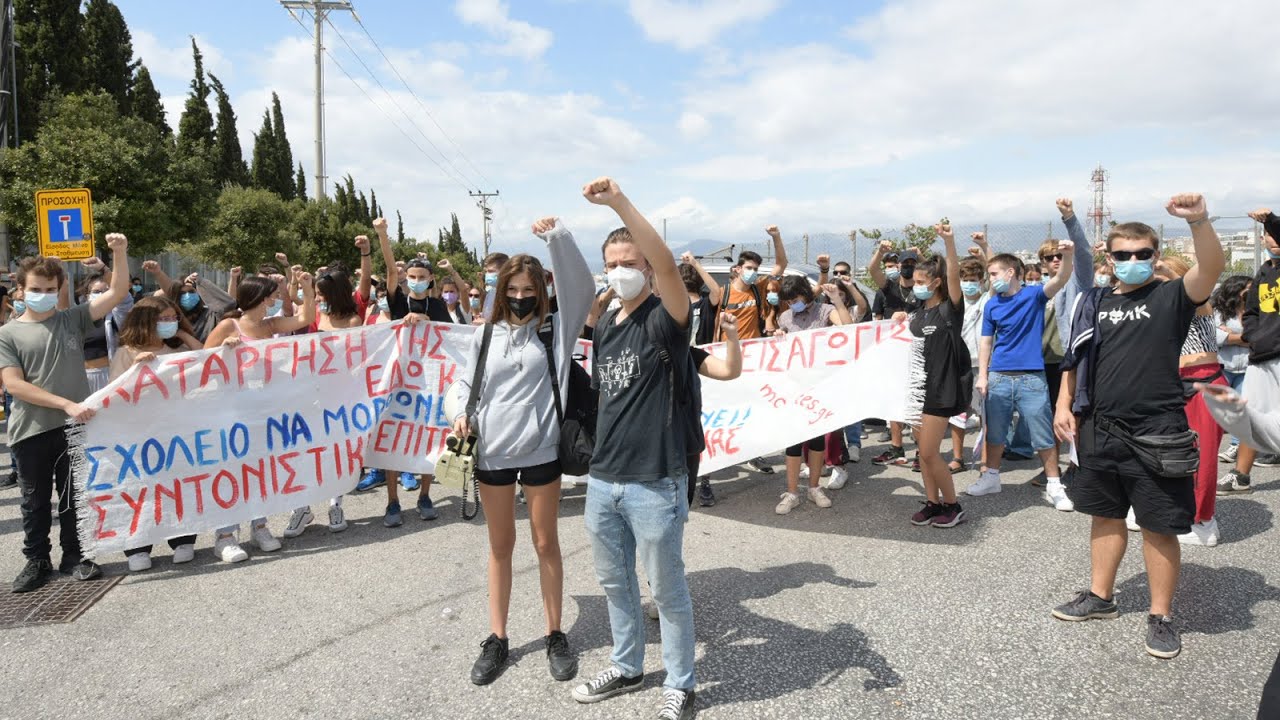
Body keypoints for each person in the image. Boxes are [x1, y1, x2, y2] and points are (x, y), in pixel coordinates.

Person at [1052, 193, 1225, 660]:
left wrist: (1200, 222)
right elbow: (1076, 358)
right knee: (1104, 514)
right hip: (1098, 428)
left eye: (1142, 254)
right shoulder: (1093, 301)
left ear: (1154, 255)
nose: (1132, 262)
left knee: (1158, 525)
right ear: (1110, 258)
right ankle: (1100, 597)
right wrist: (1064, 404)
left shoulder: (1170, 296)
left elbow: (1210, 268)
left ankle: (1161, 616)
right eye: (1123, 255)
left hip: (1158, 429)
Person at [570, 177, 697, 720]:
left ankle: (681, 682)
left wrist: (619, 203)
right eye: (612, 262)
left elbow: (669, 267)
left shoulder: (665, 320)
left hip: (655, 479)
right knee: (614, 583)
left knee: (665, 589)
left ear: (645, 267)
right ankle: (627, 666)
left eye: (630, 261)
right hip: (604, 479)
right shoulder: (607, 326)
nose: (620, 270)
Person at [453, 217, 592, 686]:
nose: (518, 296)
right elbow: (462, 383)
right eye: (511, 288)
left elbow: (583, 286)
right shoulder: (483, 335)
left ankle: (555, 633)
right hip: (491, 453)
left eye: (528, 288)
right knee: (500, 547)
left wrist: (557, 239)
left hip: (541, 453)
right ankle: (497, 637)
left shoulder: (556, 332)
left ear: (542, 291)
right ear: (499, 290)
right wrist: (459, 412)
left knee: (546, 543)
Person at [1, 233, 131, 592]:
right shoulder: (8, 334)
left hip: (75, 428)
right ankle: (36, 560)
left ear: (59, 288)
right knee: (35, 499)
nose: (42, 294)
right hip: (32, 430)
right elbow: (14, 385)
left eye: (49, 288)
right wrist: (65, 404)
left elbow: (117, 292)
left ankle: (75, 556)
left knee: (75, 498)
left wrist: (119, 252)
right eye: (36, 288)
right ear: (21, 288)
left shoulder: (70, 319)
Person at [969, 203, 1077, 510]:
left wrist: (1067, 255)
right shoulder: (992, 305)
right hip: (999, 377)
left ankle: (1055, 486)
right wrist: (983, 375)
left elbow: (1061, 279)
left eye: (993, 273)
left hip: (1032, 377)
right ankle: (991, 476)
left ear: (1011, 273)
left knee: (1043, 434)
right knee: (996, 432)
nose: (991, 279)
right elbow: (986, 343)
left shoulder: (1034, 294)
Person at [203, 271, 316, 562]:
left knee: (260, 469)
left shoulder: (271, 325)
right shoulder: (229, 325)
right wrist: (223, 353)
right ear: (260, 297)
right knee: (233, 470)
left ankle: (260, 526)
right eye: (272, 295)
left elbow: (305, 318)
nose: (276, 298)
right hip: (232, 410)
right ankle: (225, 536)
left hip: (265, 410)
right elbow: (200, 361)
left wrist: (307, 288)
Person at [357, 218, 448, 523]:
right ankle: (393, 502)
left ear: (431, 278)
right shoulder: (398, 300)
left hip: (429, 382)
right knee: (393, 437)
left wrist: (427, 323)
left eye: (421, 276)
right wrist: (382, 234)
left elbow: (451, 337)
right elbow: (387, 266)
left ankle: (424, 495)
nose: (416, 280)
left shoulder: (437, 307)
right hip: (399, 381)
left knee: (426, 437)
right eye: (411, 276)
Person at [284, 237, 373, 538]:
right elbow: (295, 309)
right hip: (310, 393)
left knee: (336, 451)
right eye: (316, 296)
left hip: (340, 397)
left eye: (322, 295)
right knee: (304, 450)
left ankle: (336, 503)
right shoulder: (313, 316)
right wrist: (302, 283)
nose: (318, 300)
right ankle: (302, 506)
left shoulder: (352, 320)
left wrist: (365, 251)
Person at [111, 296, 203, 571]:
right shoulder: (126, 353)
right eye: (162, 319)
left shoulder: (176, 350)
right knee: (141, 488)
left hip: (175, 429)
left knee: (177, 485)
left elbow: (207, 360)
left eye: (172, 318)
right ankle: (138, 546)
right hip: (138, 432)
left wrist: (185, 334)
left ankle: (183, 539)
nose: (169, 323)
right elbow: (114, 393)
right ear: (145, 321)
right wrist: (137, 367)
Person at [1143, 257, 1227, 547]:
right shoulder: (1161, 308)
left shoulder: (1198, 302)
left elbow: (1201, 300)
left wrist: (1167, 273)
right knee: (1177, 453)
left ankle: (1203, 520)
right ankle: (1182, 512)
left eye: (1164, 276)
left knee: (1203, 456)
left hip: (1204, 381)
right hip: (1173, 384)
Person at [901, 224, 970, 528]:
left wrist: (950, 243)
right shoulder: (916, 314)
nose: (914, 286)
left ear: (937, 282)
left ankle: (953, 505)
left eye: (920, 281)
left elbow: (954, 272)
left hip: (942, 391)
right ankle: (932, 503)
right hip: (916, 391)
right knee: (922, 453)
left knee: (929, 453)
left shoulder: (949, 310)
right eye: (913, 281)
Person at [772, 277, 852, 515]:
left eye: (795, 299)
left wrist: (837, 299)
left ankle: (814, 487)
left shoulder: (825, 311)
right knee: (793, 441)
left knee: (817, 440)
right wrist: (778, 335)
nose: (792, 304)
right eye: (788, 300)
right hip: (793, 387)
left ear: (807, 294)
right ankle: (792, 492)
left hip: (820, 385)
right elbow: (781, 346)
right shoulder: (785, 317)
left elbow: (847, 328)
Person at [1219, 208, 1280, 493]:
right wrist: (1255, 336)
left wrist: (1270, 219)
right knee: (1252, 415)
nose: (1274, 239)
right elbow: (1252, 312)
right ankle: (1241, 476)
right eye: (1269, 235)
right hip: (1262, 356)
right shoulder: (1264, 273)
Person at [869, 244, 921, 466]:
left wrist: (921, 255)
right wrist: (880, 252)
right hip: (893, 351)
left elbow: (937, 274)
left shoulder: (922, 289)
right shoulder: (889, 288)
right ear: (898, 266)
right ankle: (896, 449)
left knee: (916, 403)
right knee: (894, 401)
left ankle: (921, 452)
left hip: (918, 351)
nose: (908, 268)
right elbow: (873, 270)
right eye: (905, 264)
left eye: (912, 264)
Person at [701, 227, 788, 342]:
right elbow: (716, 326)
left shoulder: (758, 288)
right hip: (730, 350)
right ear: (738, 269)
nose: (752, 272)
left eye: (755, 269)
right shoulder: (723, 293)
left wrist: (776, 236)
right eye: (748, 268)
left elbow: (781, 265)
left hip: (753, 349)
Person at [1211, 276, 1251, 467]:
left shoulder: (1255, 310)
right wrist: (1244, 337)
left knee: (1240, 410)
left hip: (1247, 368)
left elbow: (1261, 335)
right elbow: (1216, 336)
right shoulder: (1218, 311)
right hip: (1223, 367)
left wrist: (1231, 335)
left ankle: (1236, 446)